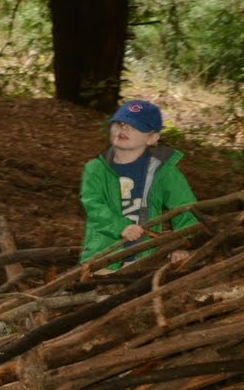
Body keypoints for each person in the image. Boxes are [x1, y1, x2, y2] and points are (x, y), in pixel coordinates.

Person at [79, 99, 198, 269]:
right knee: (103, 292)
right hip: (102, 257)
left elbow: (186, 207)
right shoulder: (96, 169)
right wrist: (121, 227)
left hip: (146, 259)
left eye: (135, 126)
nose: (124, 128)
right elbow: (93, 205)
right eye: (119, 123)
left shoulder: (163, 171)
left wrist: (182, 244)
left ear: (152, 138)